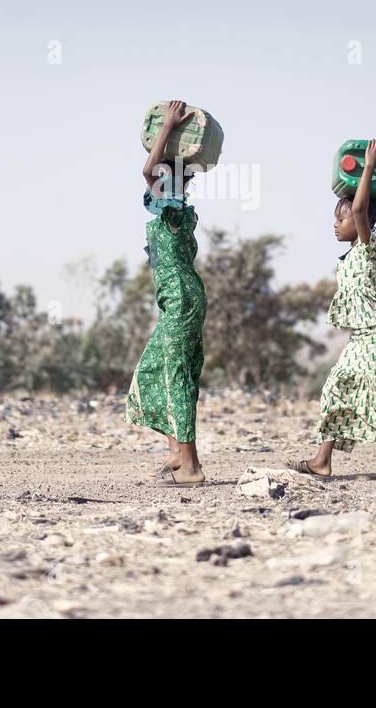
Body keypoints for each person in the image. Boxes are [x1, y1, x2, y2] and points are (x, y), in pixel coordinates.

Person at [288, 138, 376, 482]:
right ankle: (322, 460)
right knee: (336, 386)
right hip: (363, 334)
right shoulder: (350, 252)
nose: (335, 224)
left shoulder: (366, 246)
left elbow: (363, 209)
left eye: (341, 218)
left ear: (358, 221)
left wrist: (367, 168)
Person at [126, 100, 209, 486]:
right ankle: (177, 454)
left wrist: (166, 128)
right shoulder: (169, 211)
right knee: (155, 370)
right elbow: (152, 175)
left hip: (180, 297)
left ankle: (190, 467)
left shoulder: (174, 209)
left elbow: (148, 169)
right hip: (179, 298)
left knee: (176, 373)